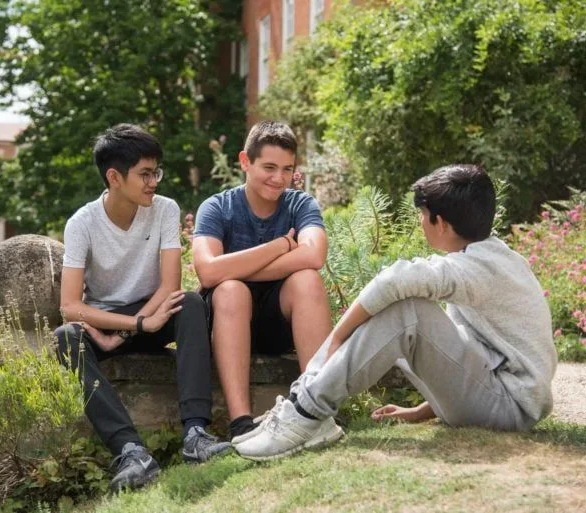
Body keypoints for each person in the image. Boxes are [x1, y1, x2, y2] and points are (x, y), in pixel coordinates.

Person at [234, 164, 557, 461]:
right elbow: (482, 354)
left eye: (423, 214)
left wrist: (336, 337)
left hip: (509, 408)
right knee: (405, 307)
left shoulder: (480, 269)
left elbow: (396, 280)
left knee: (408, 310)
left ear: (440, 223)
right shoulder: (488, 258)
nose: (420, 222)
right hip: (502, 399)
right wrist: (422, 411)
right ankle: (302, 403)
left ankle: (306, 412)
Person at [54, 124, 231, 492]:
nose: (154, 182)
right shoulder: (81, 224)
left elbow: (169, 286)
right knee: (65, 339)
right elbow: (70, 306)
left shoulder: (165, 209)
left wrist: (136, 327)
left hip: (153, 313)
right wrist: (131, 325)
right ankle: (131, 451)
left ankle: (196, 435)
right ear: (114, 177)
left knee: (192, 303)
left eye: (156, 172)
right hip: (109, 321)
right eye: (145, 174)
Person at [192, 121, 333, 441]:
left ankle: (316, 411)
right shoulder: (216, 208)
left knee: (307, 280)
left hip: (278, 322)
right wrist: (280, 245)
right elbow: (208, 273)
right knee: (230, 289)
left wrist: (235, 266)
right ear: (245, 161)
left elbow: (313, 256)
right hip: (226, 322)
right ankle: (242, 422)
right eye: (269, 167)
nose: (279, 178)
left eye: (287, 169)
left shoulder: (301, 204)